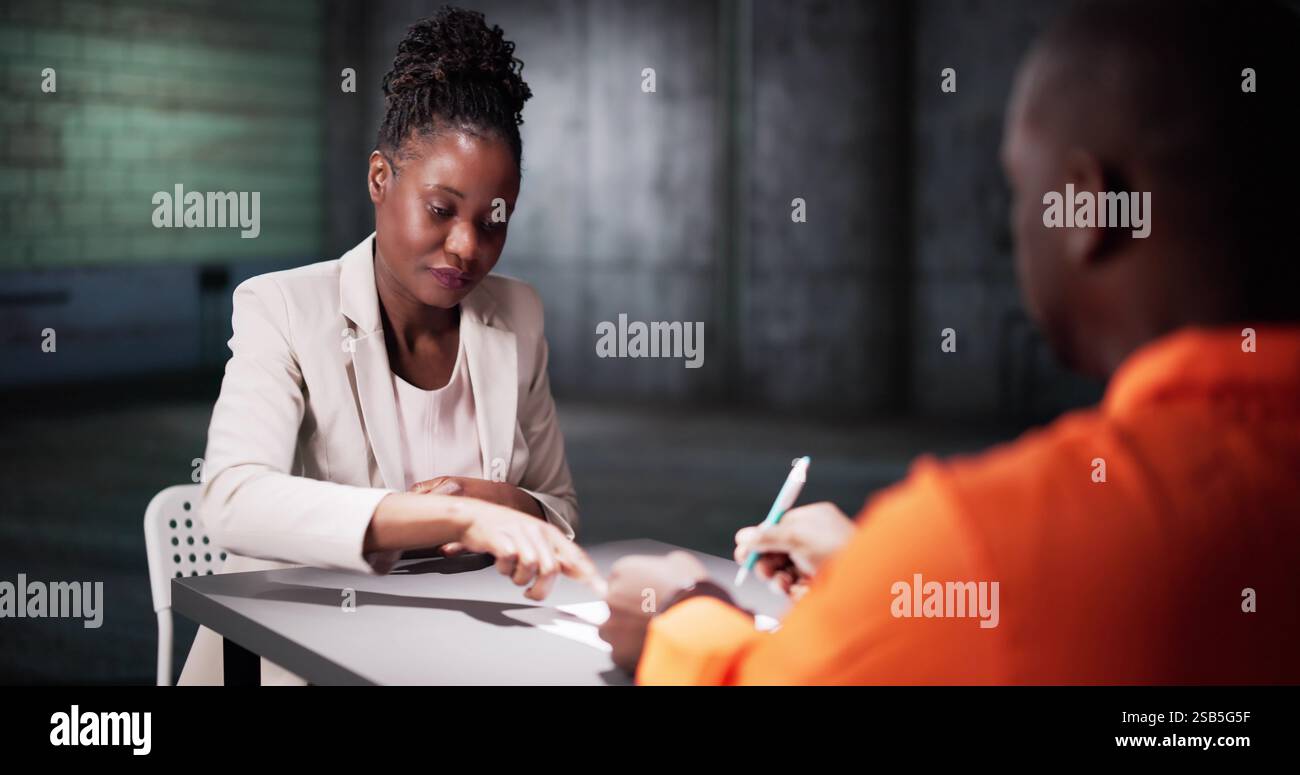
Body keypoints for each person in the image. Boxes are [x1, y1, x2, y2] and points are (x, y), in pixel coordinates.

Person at [599, 0, 1300, 684]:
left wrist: (681, 618)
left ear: (1088, 207)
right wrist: (882, 582)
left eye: (1020, 188)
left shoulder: (991, 539)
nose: (1012, 231)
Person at [180, 7, 597, 685]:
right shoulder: (283, 307)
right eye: (441, 209)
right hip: (302, 658)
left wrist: (499, 500)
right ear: (380, 179)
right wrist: (450, 512)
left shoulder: (517, 313)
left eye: (493, 221)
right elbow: (231, 499)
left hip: (458, 651)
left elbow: (560, 509)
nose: (467, 246)